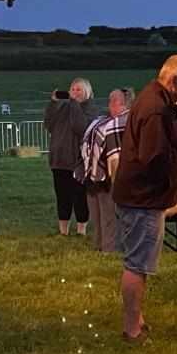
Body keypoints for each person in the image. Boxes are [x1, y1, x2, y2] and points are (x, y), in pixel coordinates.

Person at [111, 56, 177, 340]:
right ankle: (131, 328)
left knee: (139, 261)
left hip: (138, 195)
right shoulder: (157, 109)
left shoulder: (154, 99)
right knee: (137, 263)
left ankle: (136, 318)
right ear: (173, 81)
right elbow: (153, 158)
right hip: (143, 198)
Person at [79, 87, 130, 252]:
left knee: (109, 214)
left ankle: (109, 247)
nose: (110, 105)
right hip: (95, 174)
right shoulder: (102, 122)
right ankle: (100, 244)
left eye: (112, 101)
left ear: (120, 104)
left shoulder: (121, 123)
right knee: (98, 213)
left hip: (110, 176)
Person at [45, 78, 94, 235]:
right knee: (62, 195)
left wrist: (74, 104)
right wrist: (53, 104)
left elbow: (80, 127)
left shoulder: (89, 108)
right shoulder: (63, 107)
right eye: (72, 89)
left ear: (87, 92)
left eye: (79, 89)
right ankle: (63, 229)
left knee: (80, 196)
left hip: (78, 160)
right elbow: (48, 124)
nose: (74, 92)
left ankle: (81, 229)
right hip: (59, 159)